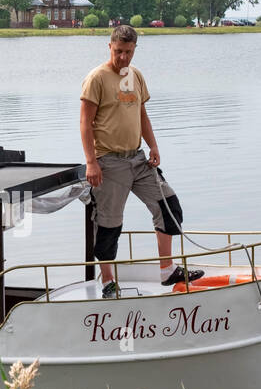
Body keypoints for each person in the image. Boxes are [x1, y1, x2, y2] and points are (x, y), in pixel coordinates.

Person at [79, 24, 202, 298]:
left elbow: (142, 114)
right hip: (108, 162)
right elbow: (85, 123)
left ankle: (167, 271)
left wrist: (153, 145)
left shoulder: (135, 75)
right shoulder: (96, 78)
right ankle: (108, 281)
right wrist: (91, 162)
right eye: (119, 51)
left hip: (138, 159)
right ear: (110, 46)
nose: (123, 58)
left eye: (129, 52)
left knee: (169, 206)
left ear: (135, 50)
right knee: (110, 225)